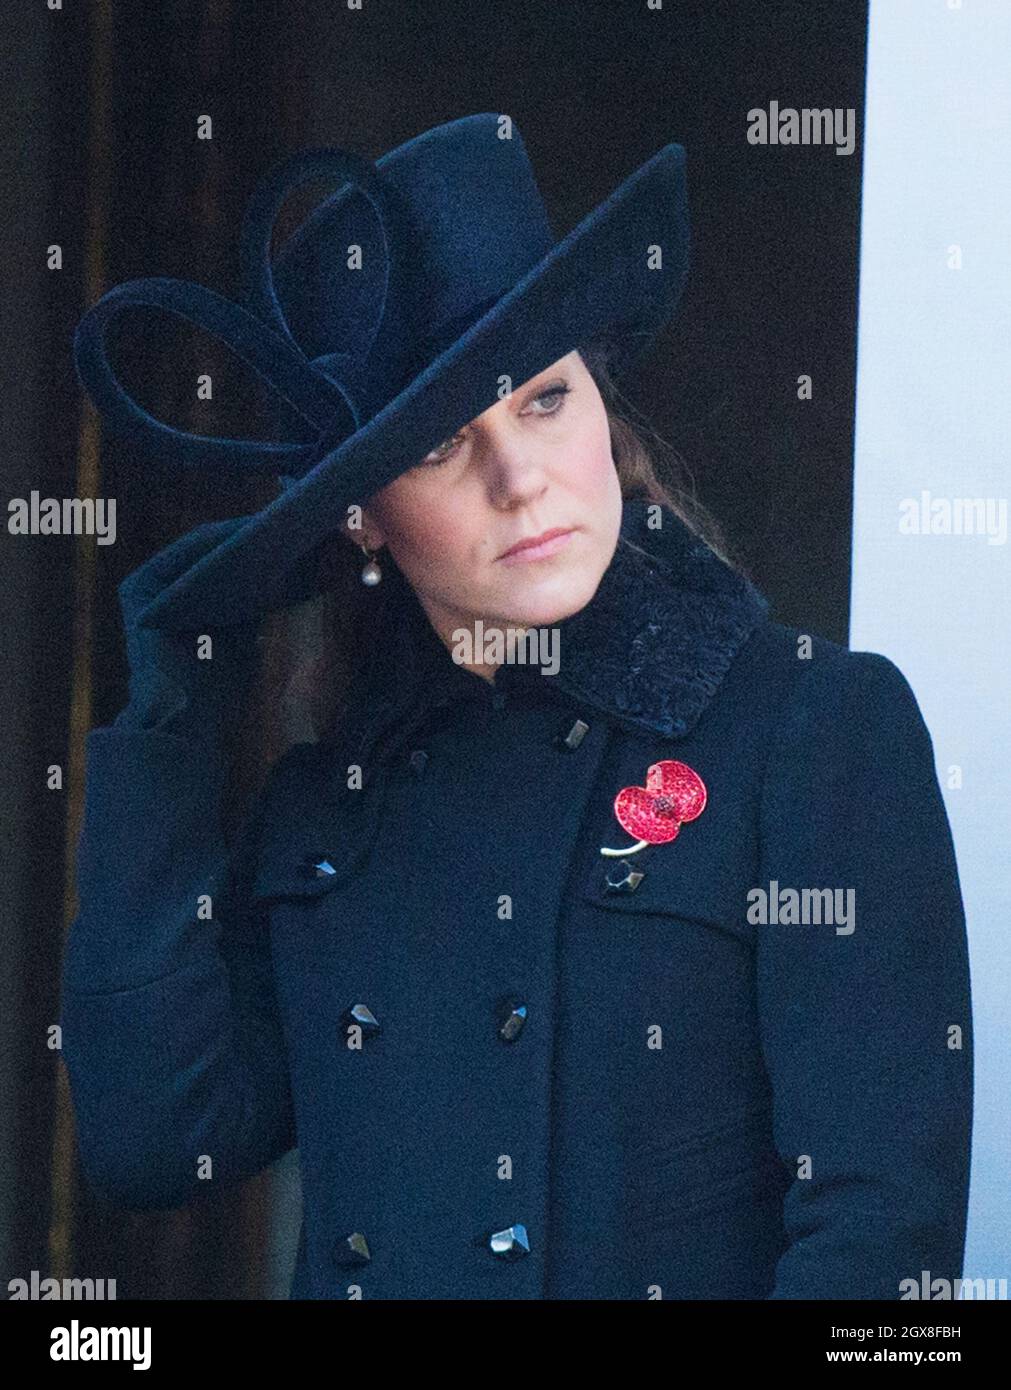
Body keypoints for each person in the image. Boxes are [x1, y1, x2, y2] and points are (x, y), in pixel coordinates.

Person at [61, 115, 973, 1300]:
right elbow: (149, 1138)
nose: (518, 476)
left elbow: (882, 1252)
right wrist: (174, 711)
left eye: (545, 400)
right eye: (445, 443)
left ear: (602, 405)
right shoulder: (331, 807)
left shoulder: (814, 730)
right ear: (364, 516)